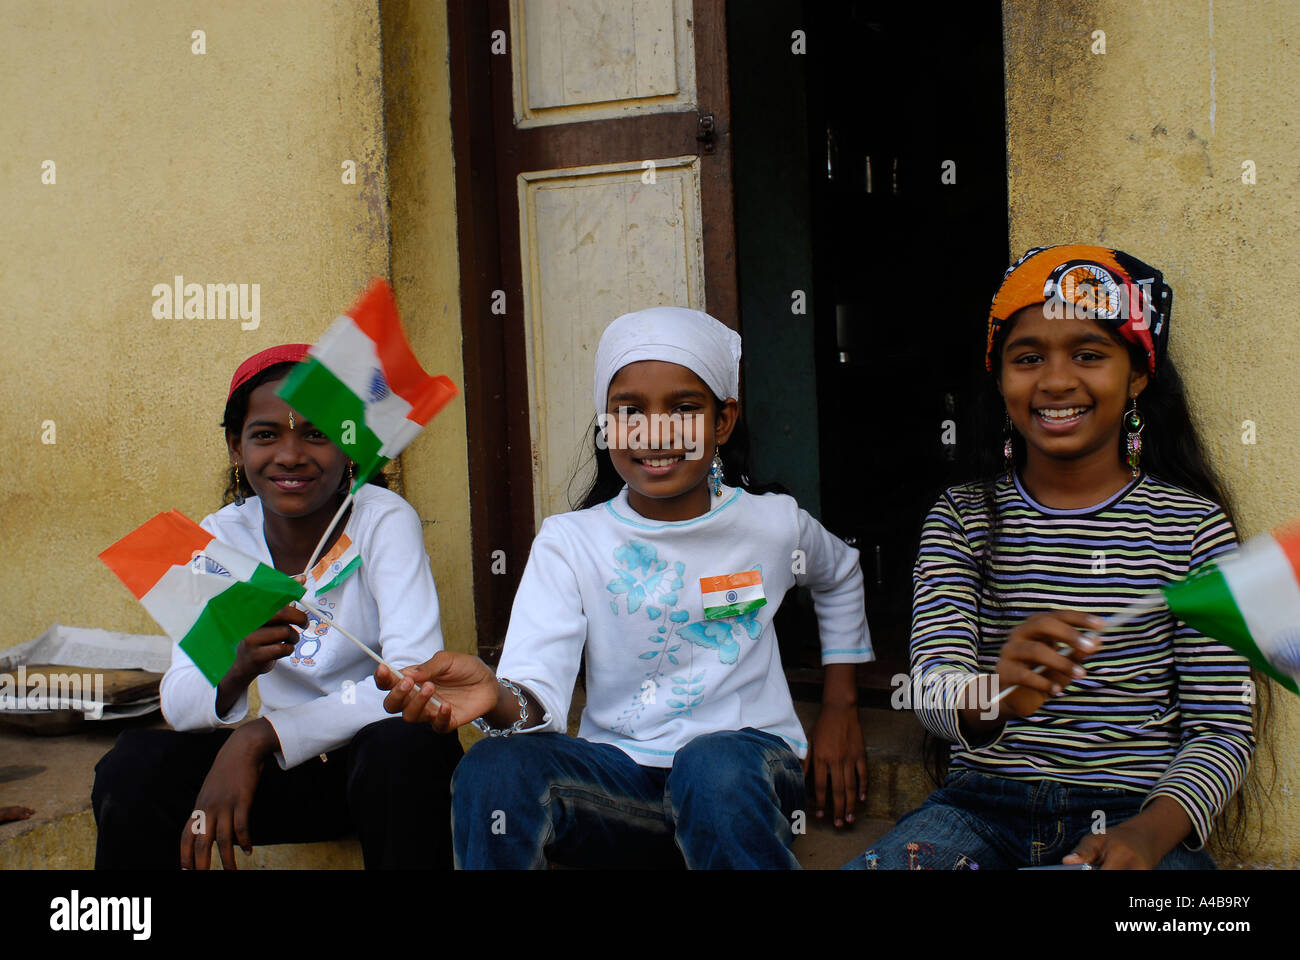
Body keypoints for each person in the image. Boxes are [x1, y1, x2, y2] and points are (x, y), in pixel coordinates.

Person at [378, 307, 873, 868]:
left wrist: (840, 705)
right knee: (492, 768)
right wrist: (497, 698)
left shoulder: (773, 524)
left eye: (684, 409)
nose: (655, 431)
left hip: (744, 771)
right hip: (618, 783)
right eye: (629, 410)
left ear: (723, 421)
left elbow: (842, 573)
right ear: (606, 424)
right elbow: (535, 687)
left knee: (712, 768)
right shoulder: (571, 542)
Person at [845, 245, 1257, 870]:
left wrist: (1149, 834)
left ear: (1138, 375)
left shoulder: (1192, 526)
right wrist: (998, 697)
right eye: (1028, 357)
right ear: (1001, 376)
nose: (1057, 380)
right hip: (980, 807)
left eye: (1089, 354)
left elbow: (1221, 727)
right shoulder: (963, 519)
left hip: (1136, 811)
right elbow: (929, 689)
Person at [92, 343, 462, 869]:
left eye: (317, 433)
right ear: (236, 448)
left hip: (377, 775)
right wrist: (235, 666)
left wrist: (259, 736)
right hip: (290, 777)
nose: (290, 455)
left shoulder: (382, 520)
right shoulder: (220, 539)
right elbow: (178, 701)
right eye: (266, 435)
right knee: (131, 768)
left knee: (404, 745)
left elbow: (412, 680)